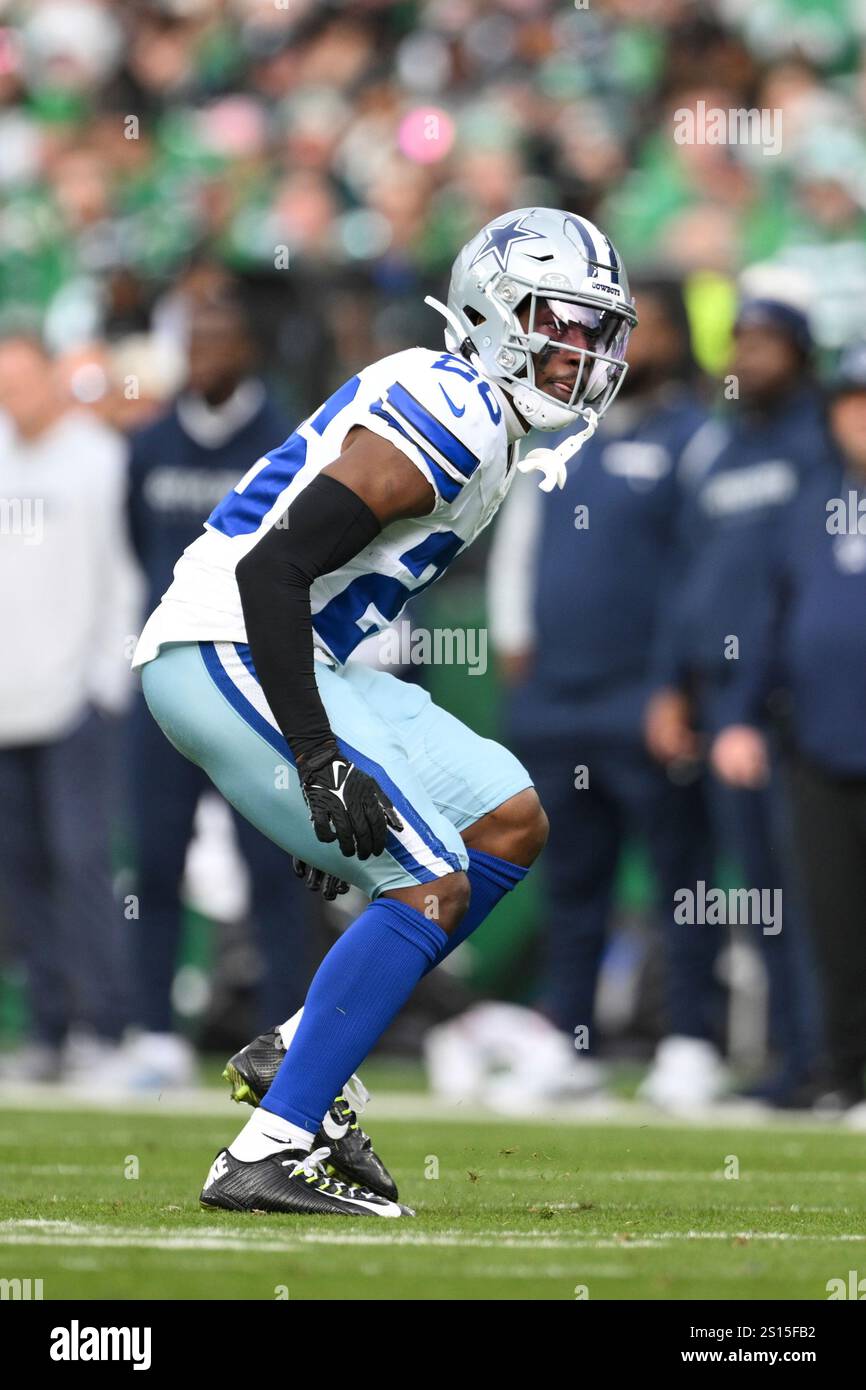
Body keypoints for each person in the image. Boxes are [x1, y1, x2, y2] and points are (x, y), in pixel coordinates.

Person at [132, 208, 637, 1217]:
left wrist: (331, 751)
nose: (578, 353)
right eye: (560, 323)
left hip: (294, 651)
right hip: (219, 640)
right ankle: (267, 1149)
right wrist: (319, 759)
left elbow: (327, 591)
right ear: (498, 314)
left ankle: (295, 1048)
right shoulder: (452, 410)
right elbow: (274, 569)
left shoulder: (483, 419)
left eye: (593, 331)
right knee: (426, 878)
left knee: (505, 816)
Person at [488, 280, 723, 1112]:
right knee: (569, 878)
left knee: (677, 876)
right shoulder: (563, 435)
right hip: (560, 694)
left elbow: (704, 574)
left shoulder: (699, 439)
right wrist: (517, 641)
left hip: (645, 697)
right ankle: (568, 1039)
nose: (634, 347)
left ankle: (692, 1039)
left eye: (651, 329)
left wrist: (678, 683)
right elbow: (517, 542)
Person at [125, 294, 315, 1089]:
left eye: (217, 340)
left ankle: (287, 1038)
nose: (201, 355)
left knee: (274, 865)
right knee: (156, 858)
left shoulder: (285, 435)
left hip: (250, 678)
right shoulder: (150, 443)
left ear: (249, 349)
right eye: (191, 340)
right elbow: (135, 545)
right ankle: (152, 1033)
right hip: (168, 674)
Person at [645, 296, 828, 1106]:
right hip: (722, 705)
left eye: (767, 344)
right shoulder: (716, 454)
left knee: (815, 888)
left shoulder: (821, 447)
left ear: (802, 355)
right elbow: (686, 582)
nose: (749, 358)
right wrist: (669, 686)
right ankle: (796, 1058)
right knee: (761, 890)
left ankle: (830, 1057)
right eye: (740, 342)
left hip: (803, 700)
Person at [711, 342, 866, 1124]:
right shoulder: (811, 502)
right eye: (852, 403)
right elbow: (767, 622)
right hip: (818, 745)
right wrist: (738, 716)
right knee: (829, 922)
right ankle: (840, 1073)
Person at [0, 336, 140, 1082]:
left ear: (51, 379)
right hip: (6, 702)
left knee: (83, 861)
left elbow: (122, 577)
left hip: (76, 701)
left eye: (22, 379)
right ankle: (48, 1028)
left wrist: (105, 685)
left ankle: (106, 1026)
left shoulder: (98, 459)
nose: (12, 395)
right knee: (18, 874)